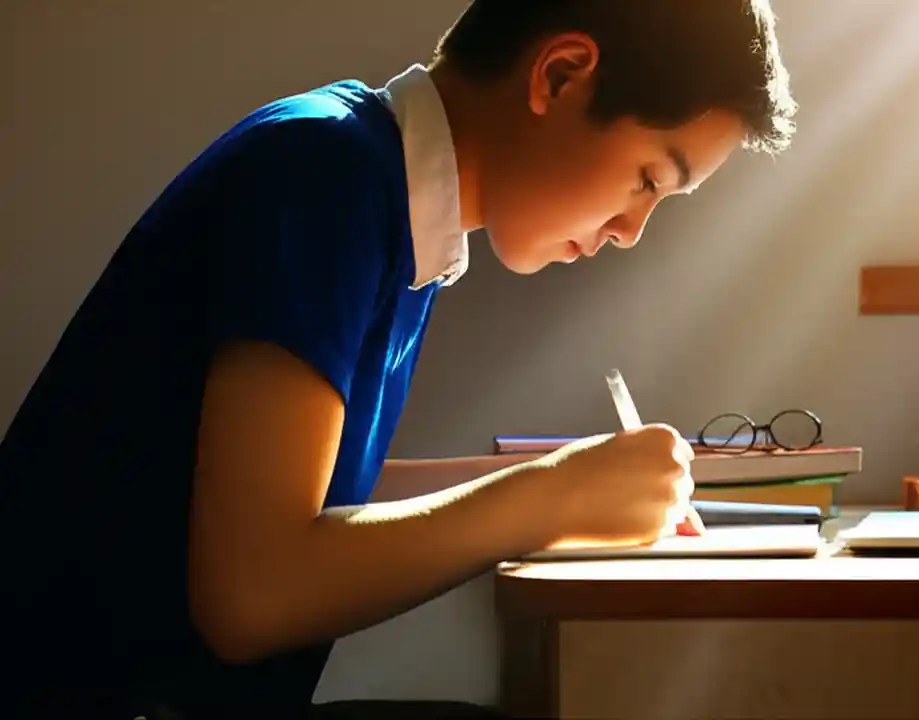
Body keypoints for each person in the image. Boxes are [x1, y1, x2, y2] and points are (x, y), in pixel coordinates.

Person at [0, 1, 796, 717]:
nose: (631, 230)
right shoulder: (321, 176)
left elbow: (314, 498)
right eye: (648, 178)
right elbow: (252, 595)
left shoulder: (380, 190)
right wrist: (551, 497)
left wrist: (575, 479)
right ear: (559, 75)